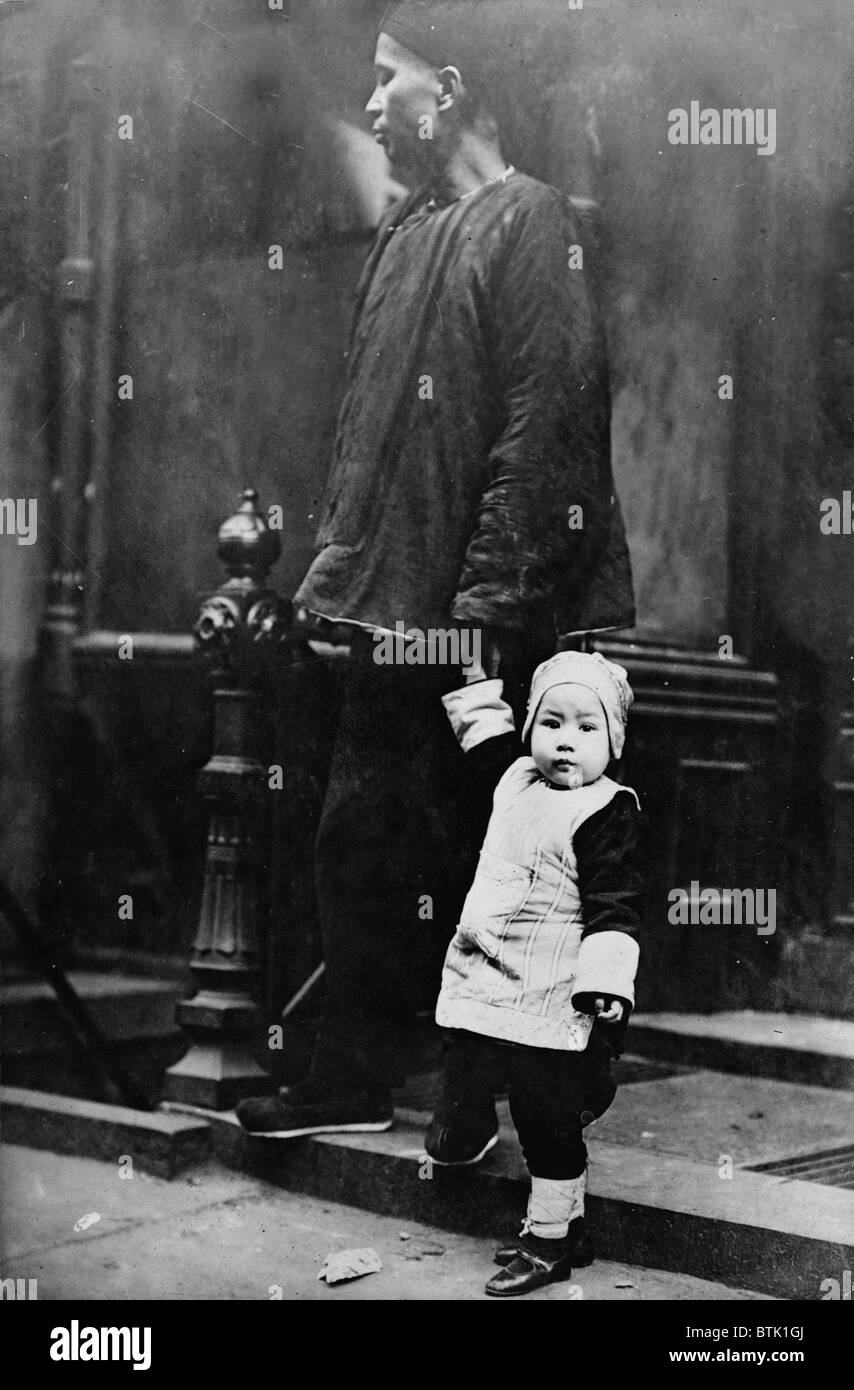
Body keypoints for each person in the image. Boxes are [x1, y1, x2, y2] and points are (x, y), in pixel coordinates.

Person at [236, 0, 635, 1140]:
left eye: (385, 76)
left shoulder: (534, 223)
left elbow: (543, 431)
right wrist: (336, 581)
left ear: (447, 84)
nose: (370, 101)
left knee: (499, 864)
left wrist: (485, 617)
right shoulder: (405, 233)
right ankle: (356, 1078)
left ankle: (483, 1091)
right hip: (387, 609)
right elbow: (367, 434)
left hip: (480, 623)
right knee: (358, 838)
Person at [425, 650, 644, 1297]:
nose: (565, 742)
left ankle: (553, 1236)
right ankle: (462, 1132)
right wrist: (472, 681)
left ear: (614, 742)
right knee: (464, 1059)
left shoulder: (606, 811)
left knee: (544, 1116)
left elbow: (616, 905)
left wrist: (605, 984)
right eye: (551, 723)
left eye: (586, 728)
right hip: (487, 976)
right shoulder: (515, 779)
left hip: (554, 993)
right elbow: (487, 740)